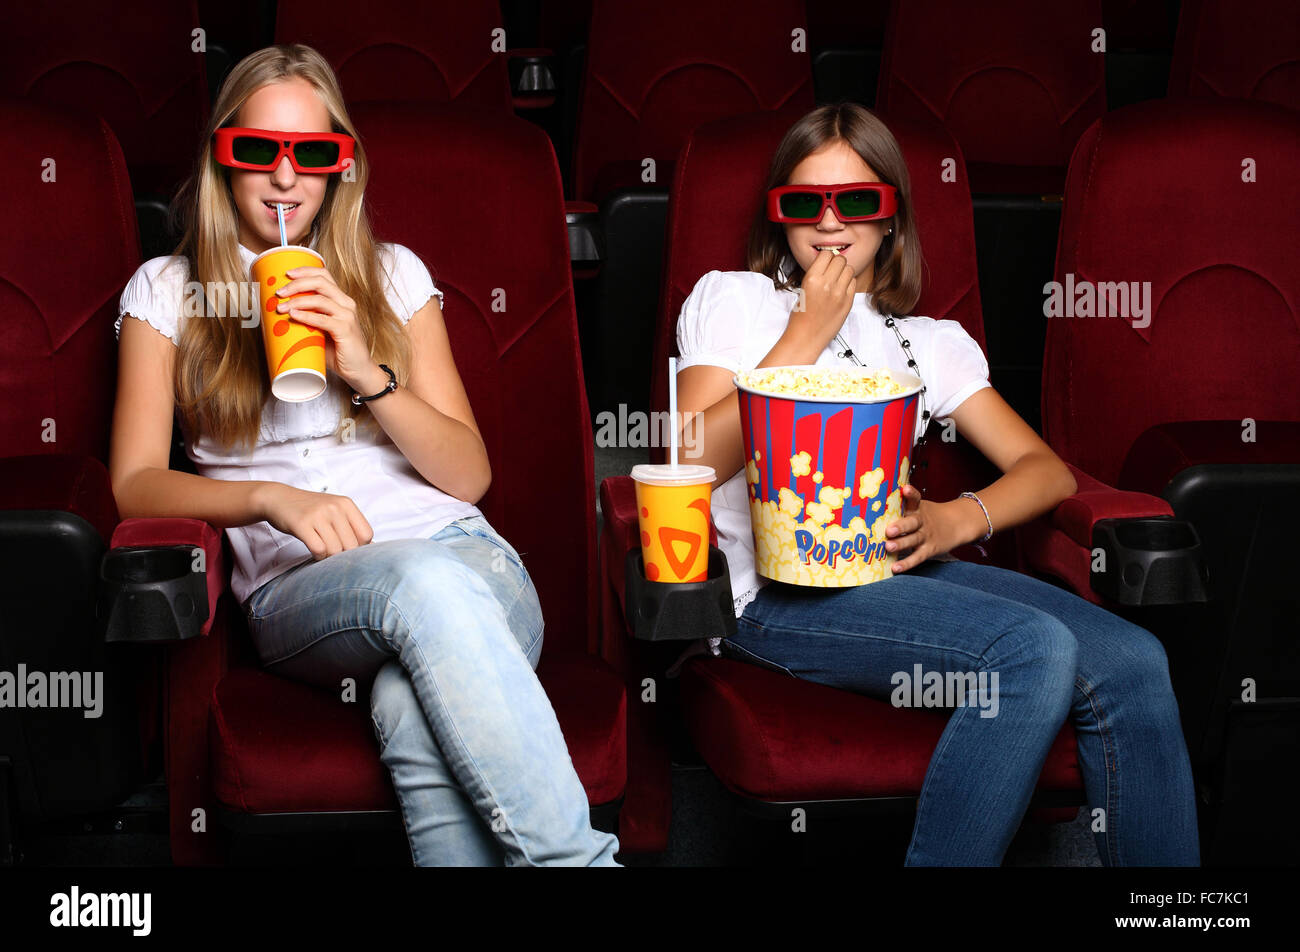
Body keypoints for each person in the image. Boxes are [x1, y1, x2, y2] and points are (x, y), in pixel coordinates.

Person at [108, 44, 619, 867]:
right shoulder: (166, 292)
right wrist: (273, 500)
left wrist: (364, 369)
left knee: (411, 697)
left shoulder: (391, 276)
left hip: (473, 564)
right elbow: (134, 484)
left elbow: (469, 475)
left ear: (340, 165)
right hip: (305, 591)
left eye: (312, 153)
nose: (285, 178)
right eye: (257, 151)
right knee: (419, 582)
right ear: (220, 158)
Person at [673, 102, 1199, 866]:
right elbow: (687, 457)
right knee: (1033, 648)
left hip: (901, 572)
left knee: (1135, 660)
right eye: (803, 202)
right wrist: (803, 336)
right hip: (776, 597)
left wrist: (957, 520)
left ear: (891, 218)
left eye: (856, 201)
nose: (829, 223)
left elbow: (1046, 470)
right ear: (777, 217)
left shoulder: (925, 341)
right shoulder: (736, 301)